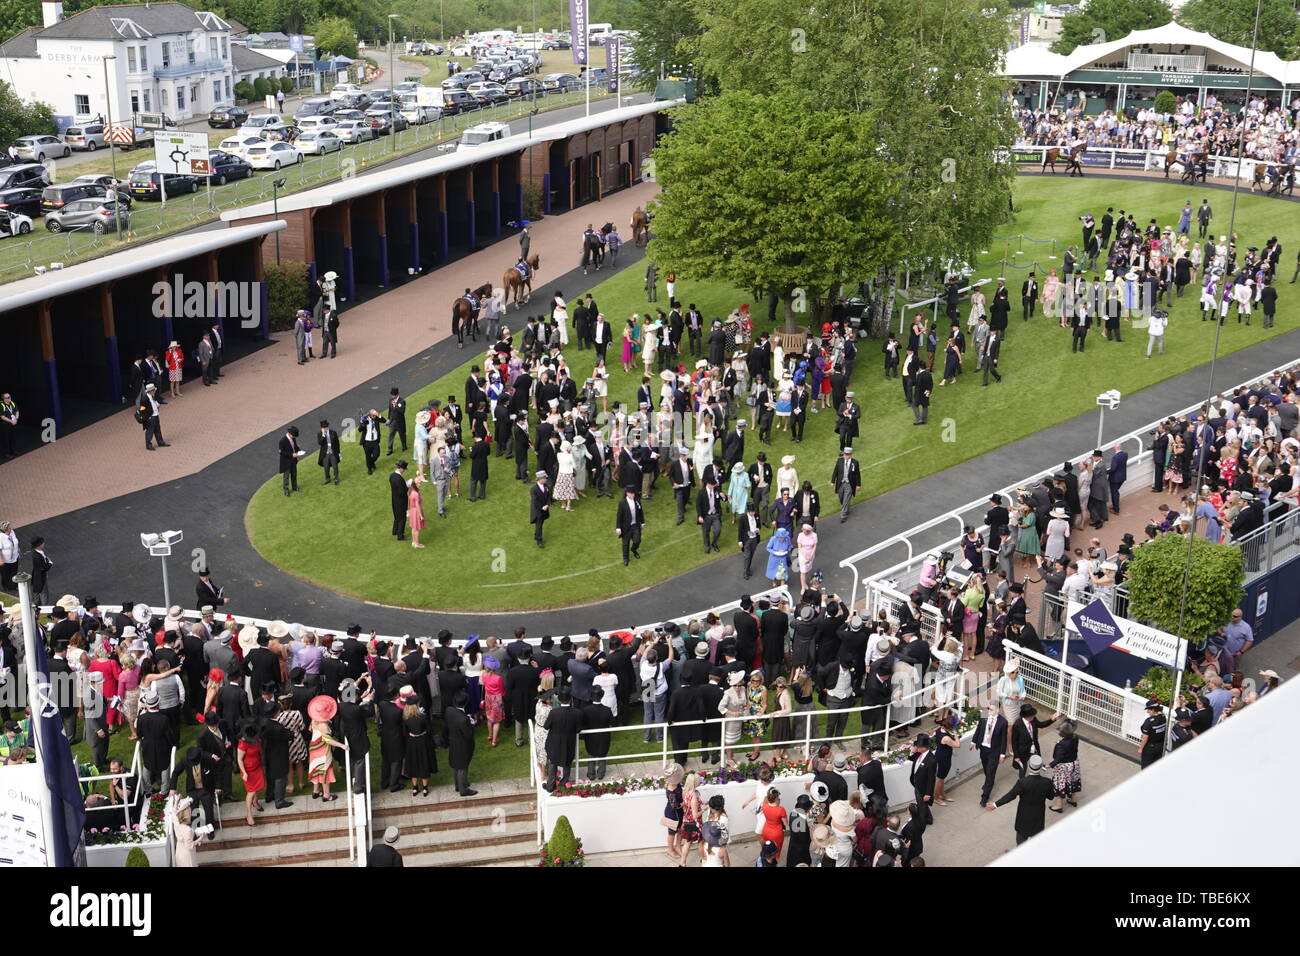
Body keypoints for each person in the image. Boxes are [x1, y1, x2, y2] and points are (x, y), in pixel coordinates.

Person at [986, 754, 1055, 844]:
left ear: (1029, 766)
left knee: (1021, 844)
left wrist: (995, 805)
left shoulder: (1022, 782)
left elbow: (1010, 796)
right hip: (1038, 817)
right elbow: (1051, 797)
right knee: (1037, 844)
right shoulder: (1047, 782)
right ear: (1040, 767)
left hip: (1023, 817)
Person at [831, 447, 861, 523]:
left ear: (850, 455)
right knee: (841, 497)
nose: (845, 456)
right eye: (844, 454)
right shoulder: (839, 461)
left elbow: (857, 474)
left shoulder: (855, 462)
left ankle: (843, 515)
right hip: (841, 483)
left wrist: (858, 484)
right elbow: (835, 471)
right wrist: (833, 481)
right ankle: (846, 506)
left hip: (850, 484)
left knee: (846, 500)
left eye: (847, 455)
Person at [1138, 699, 1167, 768]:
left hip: (1150, 747)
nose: (1147, 711)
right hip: (1161, 746)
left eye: (1149, 709)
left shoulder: (1149, 722)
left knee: (1146, 767)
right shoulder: (1163, 717)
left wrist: (1141, 748)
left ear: (1153, 709)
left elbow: (1145, 737)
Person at [138, 383, 168, 451]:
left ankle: (160, 442)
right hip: (150, 418)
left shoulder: (153, 396)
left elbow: (155, 403)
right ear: (150, 391)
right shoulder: (144, 399)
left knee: (158, 430)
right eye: (154, 390)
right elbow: (142, 409)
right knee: (150, 431)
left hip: (156, 415)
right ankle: (148, 445)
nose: (155, 391)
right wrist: (147, 417)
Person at [278, 425, 306, 496]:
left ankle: (295, 487)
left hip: (293, 460)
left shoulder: (293, 438)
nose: (294, 437)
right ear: (290, 434)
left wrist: (299, 451)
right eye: (294, 436)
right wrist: (292, 455)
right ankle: (286, 489)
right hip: (286, 462)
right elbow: (281, 452)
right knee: (286, 476)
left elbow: (295, 446)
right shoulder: (282, 441)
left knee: (294, 474)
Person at [531, 470, 552, 547]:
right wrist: (542, 507)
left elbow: (548, 496)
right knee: (539, 525)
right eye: (544, 478)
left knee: (541, 523)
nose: (546, 479)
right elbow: (535, 501)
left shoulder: (546, 486)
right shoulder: (534, 489)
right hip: (538, 510)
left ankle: (536, 535)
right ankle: (539, 540)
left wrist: (547, 504)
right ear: (539, 479)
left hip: (545, 509)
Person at [390, 460, 409, 540]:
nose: (404, 470)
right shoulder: (399, 479)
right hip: (401, 501)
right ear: (400, 468)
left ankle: (395, 530)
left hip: (394, 499)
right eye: (404, 469)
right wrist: (407, 486)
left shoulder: (392, 476)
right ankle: (400, 535)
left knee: (397, 516)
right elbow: (402, 492)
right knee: (402, 518)